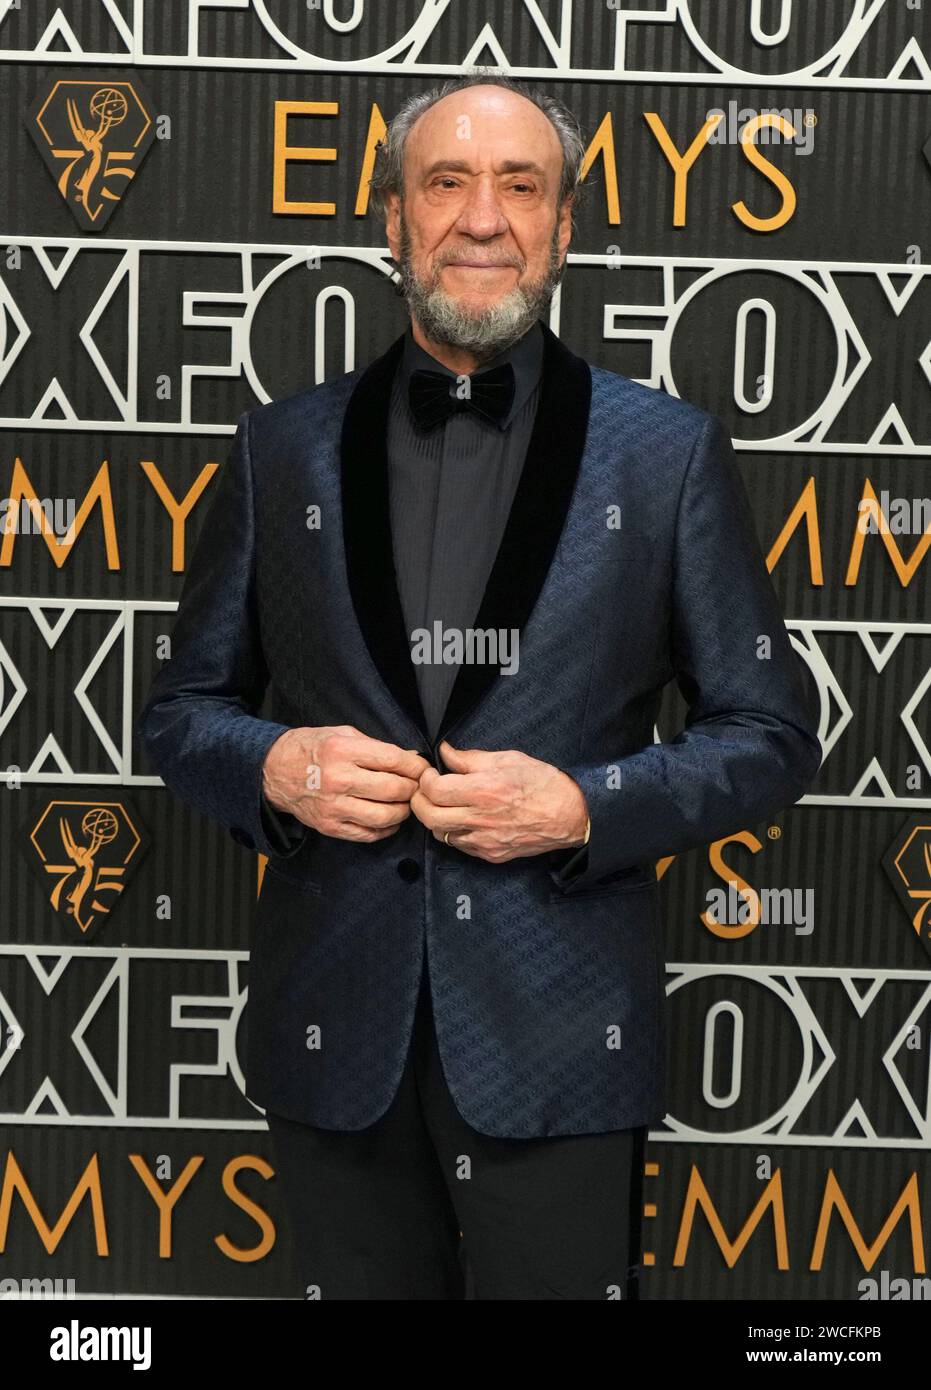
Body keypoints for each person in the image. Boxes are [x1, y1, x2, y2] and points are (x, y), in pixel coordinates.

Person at [137, 72, 822, 1300]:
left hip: (560, 1040)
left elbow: (768, 731)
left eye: (520, 185)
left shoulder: (664, 455)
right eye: (444, 182)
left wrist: (584, 805)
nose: (482, 217)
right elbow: (182, 712)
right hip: (335, 1029)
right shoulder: (278, 445)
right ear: (392, 220)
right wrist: (274, 766)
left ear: (564, 226)